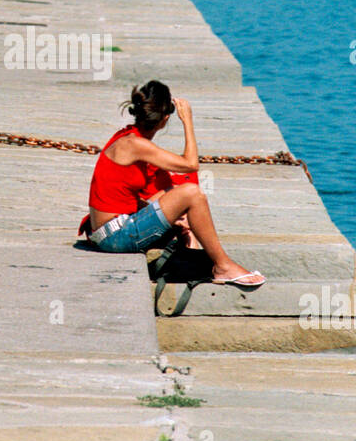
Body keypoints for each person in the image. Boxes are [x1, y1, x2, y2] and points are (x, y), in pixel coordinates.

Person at [83, 80, 265, 286]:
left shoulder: (128, 137)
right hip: (114, 237)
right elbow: (190, 164)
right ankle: (222, 266)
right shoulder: (135, 145)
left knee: (176, 194)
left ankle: (195, 254)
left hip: (109, 231)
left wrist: (172, 214)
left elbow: (124, 194)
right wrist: (188, 121)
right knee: (191, 193)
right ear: (165, 118)